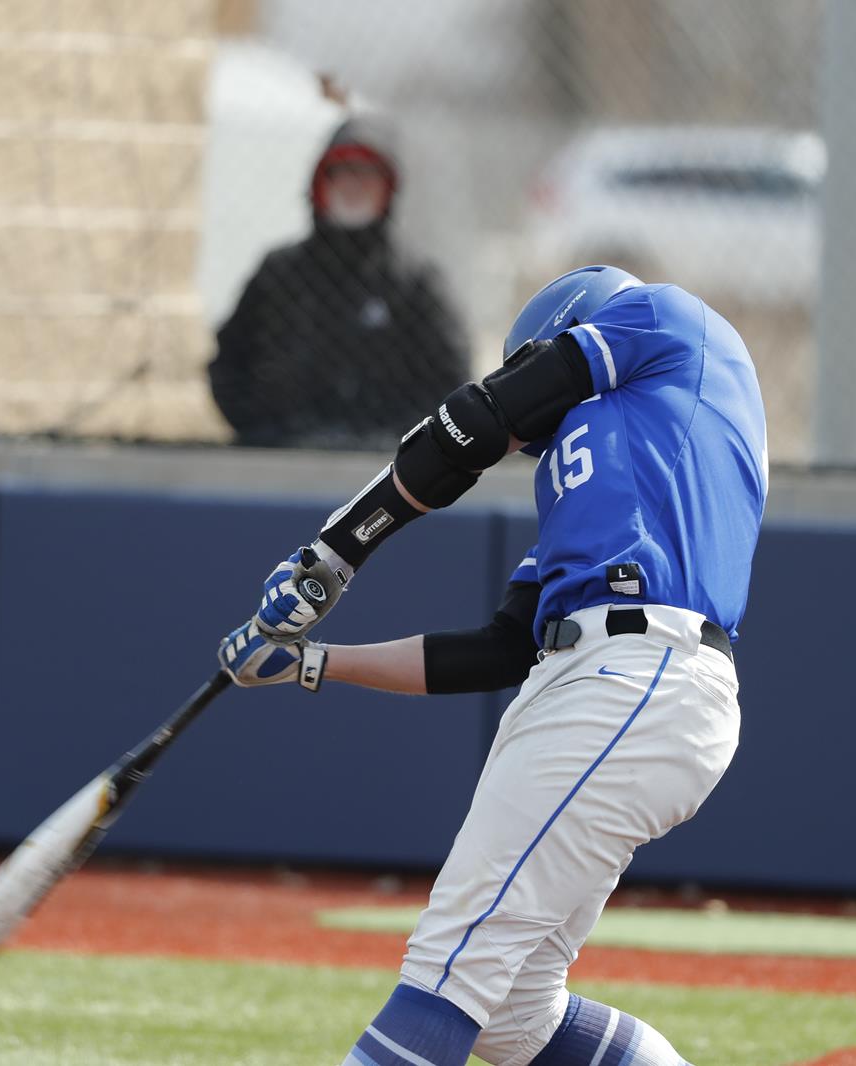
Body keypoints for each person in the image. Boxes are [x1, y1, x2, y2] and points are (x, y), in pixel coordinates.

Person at [218, 264, 768, 1065]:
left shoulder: (667, 318)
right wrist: (311, 663)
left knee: (447, 971)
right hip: (597, 684)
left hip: (639, 673)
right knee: (514, 1014)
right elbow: (497, 650)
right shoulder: (604, 486)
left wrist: (333, 552)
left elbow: (480, 420)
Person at [208, 115, 470, 450]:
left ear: (388, 187)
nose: (354, 184)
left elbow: (452, 379)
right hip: (285, 455)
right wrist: (262, 431)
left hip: (389, 467)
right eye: (343, 171)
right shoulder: (280, 274)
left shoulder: (415, 281)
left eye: (367, 173)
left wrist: (405, 443)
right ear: (321, 184)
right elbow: (228, 361)